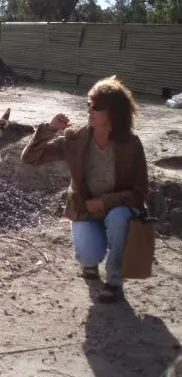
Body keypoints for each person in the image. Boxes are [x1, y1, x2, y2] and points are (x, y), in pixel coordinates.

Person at [21, 75, 149, 303]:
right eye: (88, 104)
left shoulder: (131, 144)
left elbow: (140, 192)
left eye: (96, 107)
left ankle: (114, 282)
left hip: (118, 210)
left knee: (119, 218)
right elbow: (31, 158)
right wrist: (49, 129)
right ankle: (90, 263)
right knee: (88, 254)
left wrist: (106, 202)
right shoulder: (75, 139)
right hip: (85, 211)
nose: (89, 110)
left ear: (114, 114)